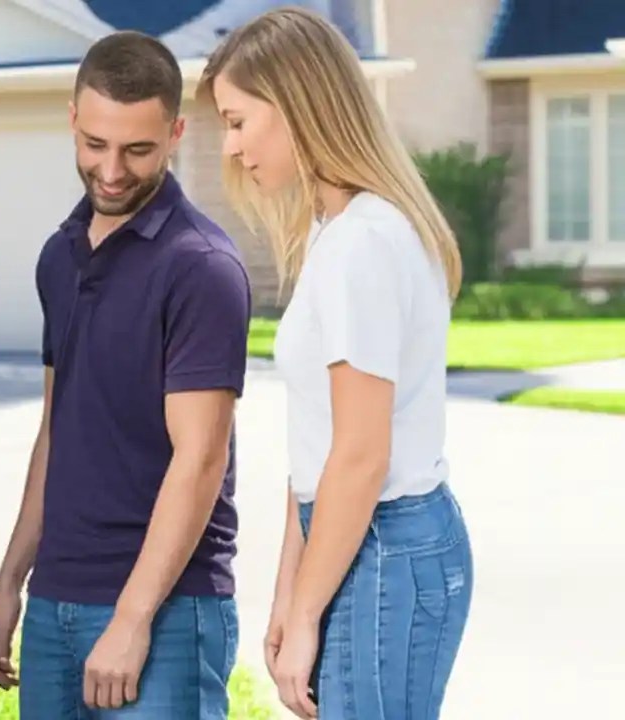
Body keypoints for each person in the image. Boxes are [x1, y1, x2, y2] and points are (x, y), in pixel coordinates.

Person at [196, 7, 474, 719]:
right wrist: (290, 594)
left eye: (238, 121)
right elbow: (315, 449)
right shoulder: (335, 232)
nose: (231, 148)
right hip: (356, 541)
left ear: (295, 105)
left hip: (385, 547)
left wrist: (309, 608)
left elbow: (360, 454)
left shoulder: (364, 244)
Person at [0, 30, 252, 718]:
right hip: (56, 603)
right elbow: (56, 431)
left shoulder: (201, 268)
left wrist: (131, 621)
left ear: (176, 132)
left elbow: (201, 457)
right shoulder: (59, 257)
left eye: (137, 149)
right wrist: (12, 580)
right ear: (73, 119)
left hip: (165, 611)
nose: (111, 170)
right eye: (95, 144)